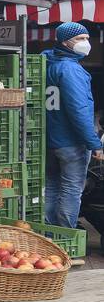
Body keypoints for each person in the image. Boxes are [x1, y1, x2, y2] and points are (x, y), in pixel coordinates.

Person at [44, 22, 104, 229]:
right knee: (71, 190)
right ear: (64, 42)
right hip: (71, 142)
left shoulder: (48, 63)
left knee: (51, 186)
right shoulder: (71, 70)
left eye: (87, 38)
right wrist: (94, 143)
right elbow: (79, 110)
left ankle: (48, 233)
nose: (86, 43)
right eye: (80, 39)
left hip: (50, 139)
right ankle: (66, 236)